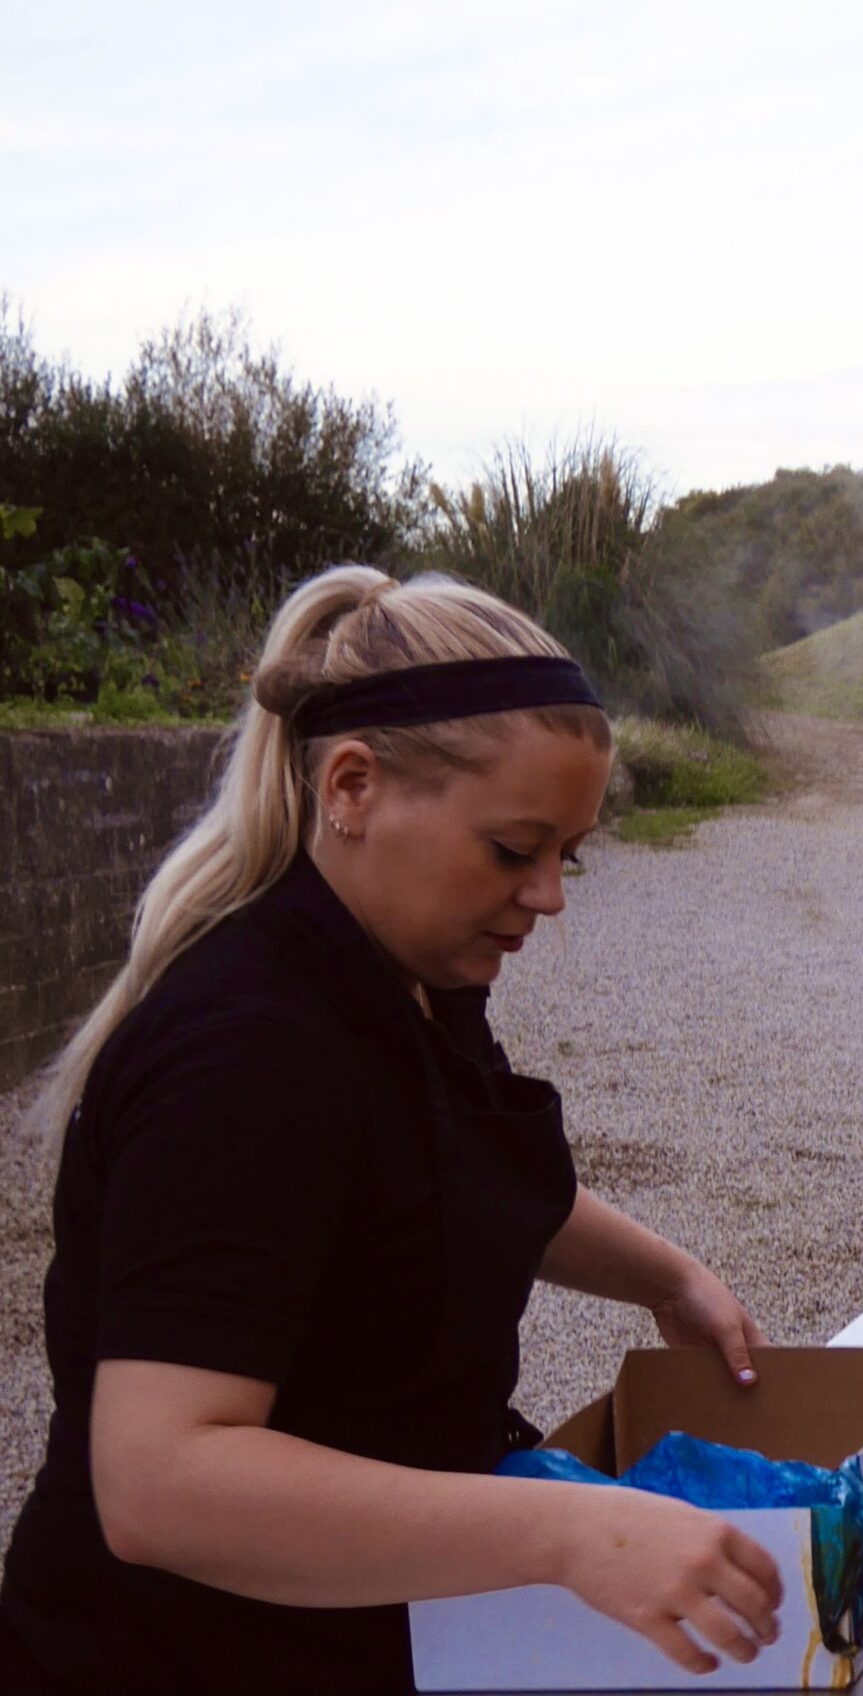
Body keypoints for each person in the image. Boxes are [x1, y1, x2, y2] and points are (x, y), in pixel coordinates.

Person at [0, 569, 786, 1694]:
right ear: (353, 786)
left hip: (376, 1634)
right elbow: (161, 1483)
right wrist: (566, 1533)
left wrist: (667, 1275)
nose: (551, 895)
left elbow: (454, 1172)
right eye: (516, 849)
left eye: (570, 852)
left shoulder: (407, 982)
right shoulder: (245, 1050)